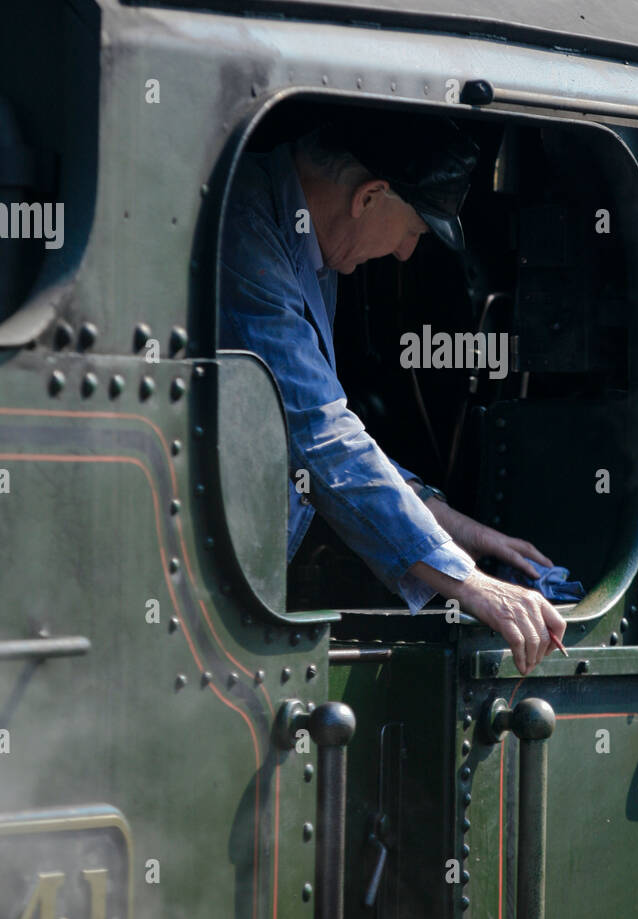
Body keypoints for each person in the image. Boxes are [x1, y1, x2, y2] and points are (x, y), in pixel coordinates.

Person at [219, 109, 565, 674]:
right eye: (413, 231)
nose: (406, 253)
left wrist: (458, 529)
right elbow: (315, 434)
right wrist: (470, 584)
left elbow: (325, 431)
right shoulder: (249, 229)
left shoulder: (308, 247)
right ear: (369, 196)